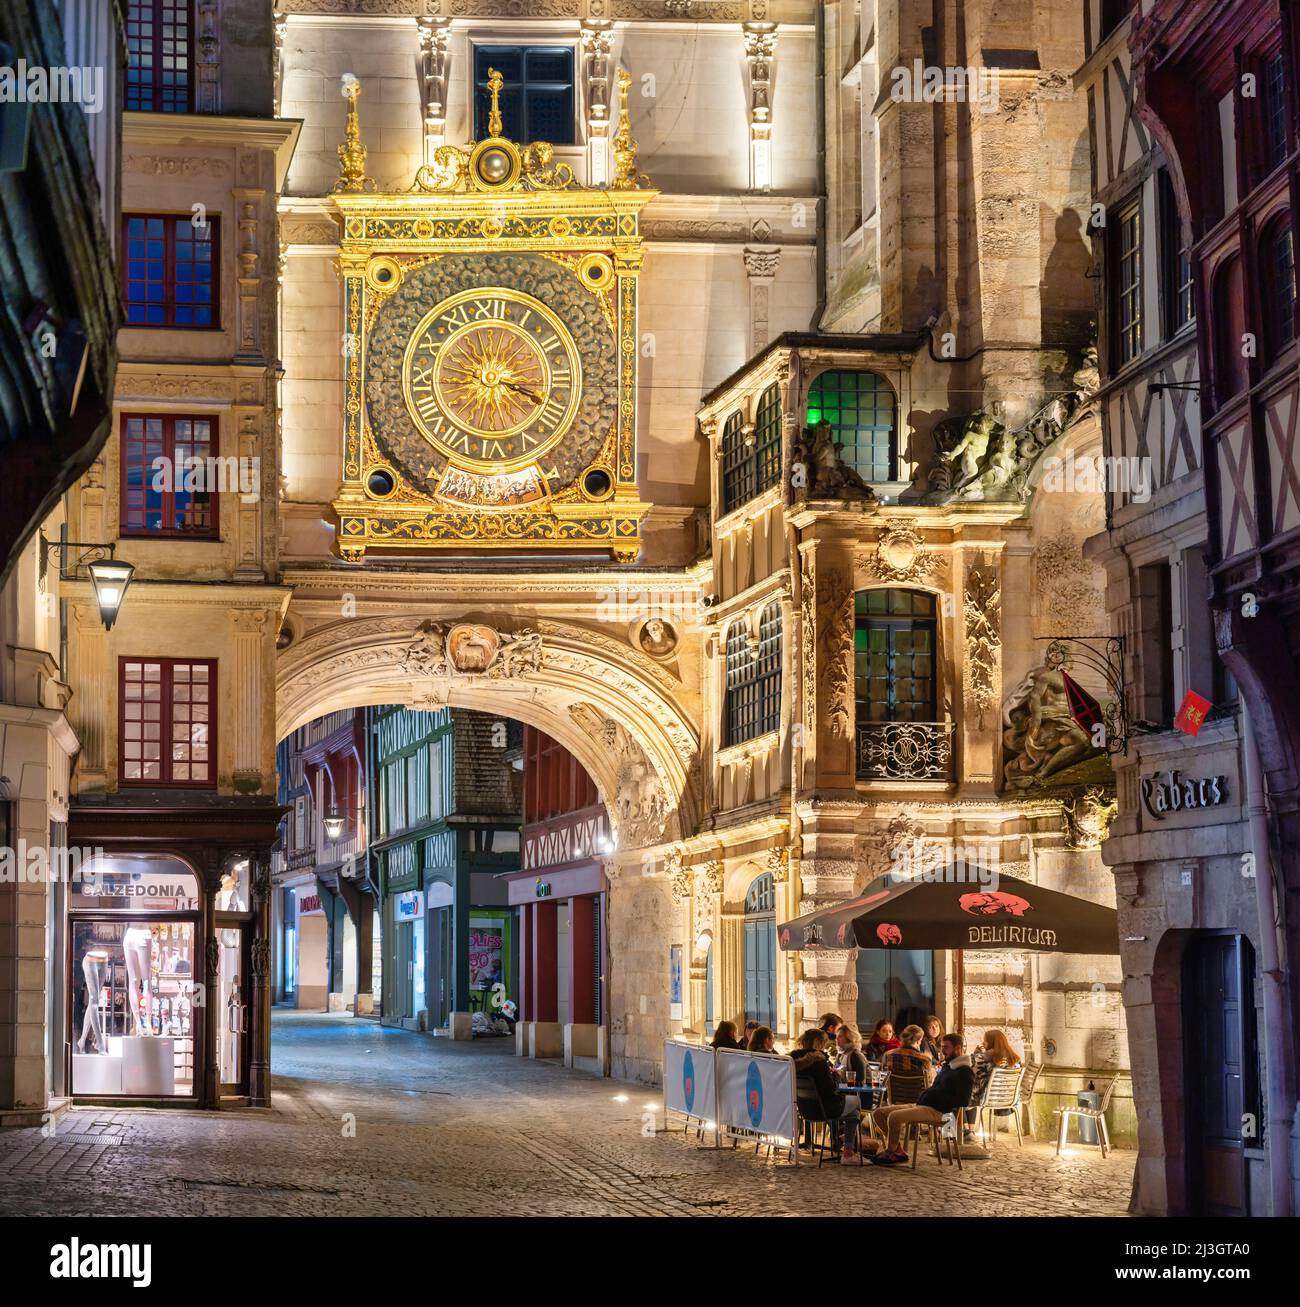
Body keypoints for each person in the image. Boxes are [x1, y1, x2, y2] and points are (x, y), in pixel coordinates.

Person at [870, 1032, 974, 1165]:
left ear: (958, 1049)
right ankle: (897, 1150)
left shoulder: (964, 1071)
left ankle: (891, 1152)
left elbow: (963, 1100)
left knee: (894, 1117)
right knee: (878, 1113)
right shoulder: (948, 1066)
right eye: (941, 1047)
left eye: (946, 1047)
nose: (942, 1050)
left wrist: (936, 1098)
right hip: (923, 1105)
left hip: (940, 1112)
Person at [791, 1029, 863, 1165]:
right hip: (825, 1109)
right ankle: (848, 1151)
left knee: (853, 1112)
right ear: (819, 1043)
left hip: (803, 1109)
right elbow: (828, 1090)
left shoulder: (793, 1060)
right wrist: (834, 1078)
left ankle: (843, 1142)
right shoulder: (819, 1061)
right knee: (856, 1102)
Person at [967, 1028, 1022, 1138]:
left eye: (985, 1041)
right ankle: (969, 1130)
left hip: (988, 1098)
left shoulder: (982, 1058)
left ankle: (965, 1130)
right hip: (1010, 1099)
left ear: (991, 1043)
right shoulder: (1015, 1059)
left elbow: (974, 1072)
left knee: (962, 1094)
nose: (983, 1043)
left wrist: (977, 1053)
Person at [833, 1023, 869, 1087]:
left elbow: (861, 1083)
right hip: (843, 1092)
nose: (837, 1039)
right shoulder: (840, 1054)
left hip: (854, 1095)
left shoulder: (856, 1055)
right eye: (836, 1036)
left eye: (840, 1036)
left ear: (849, 1038)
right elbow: (839, 1071)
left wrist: (840, 1086)